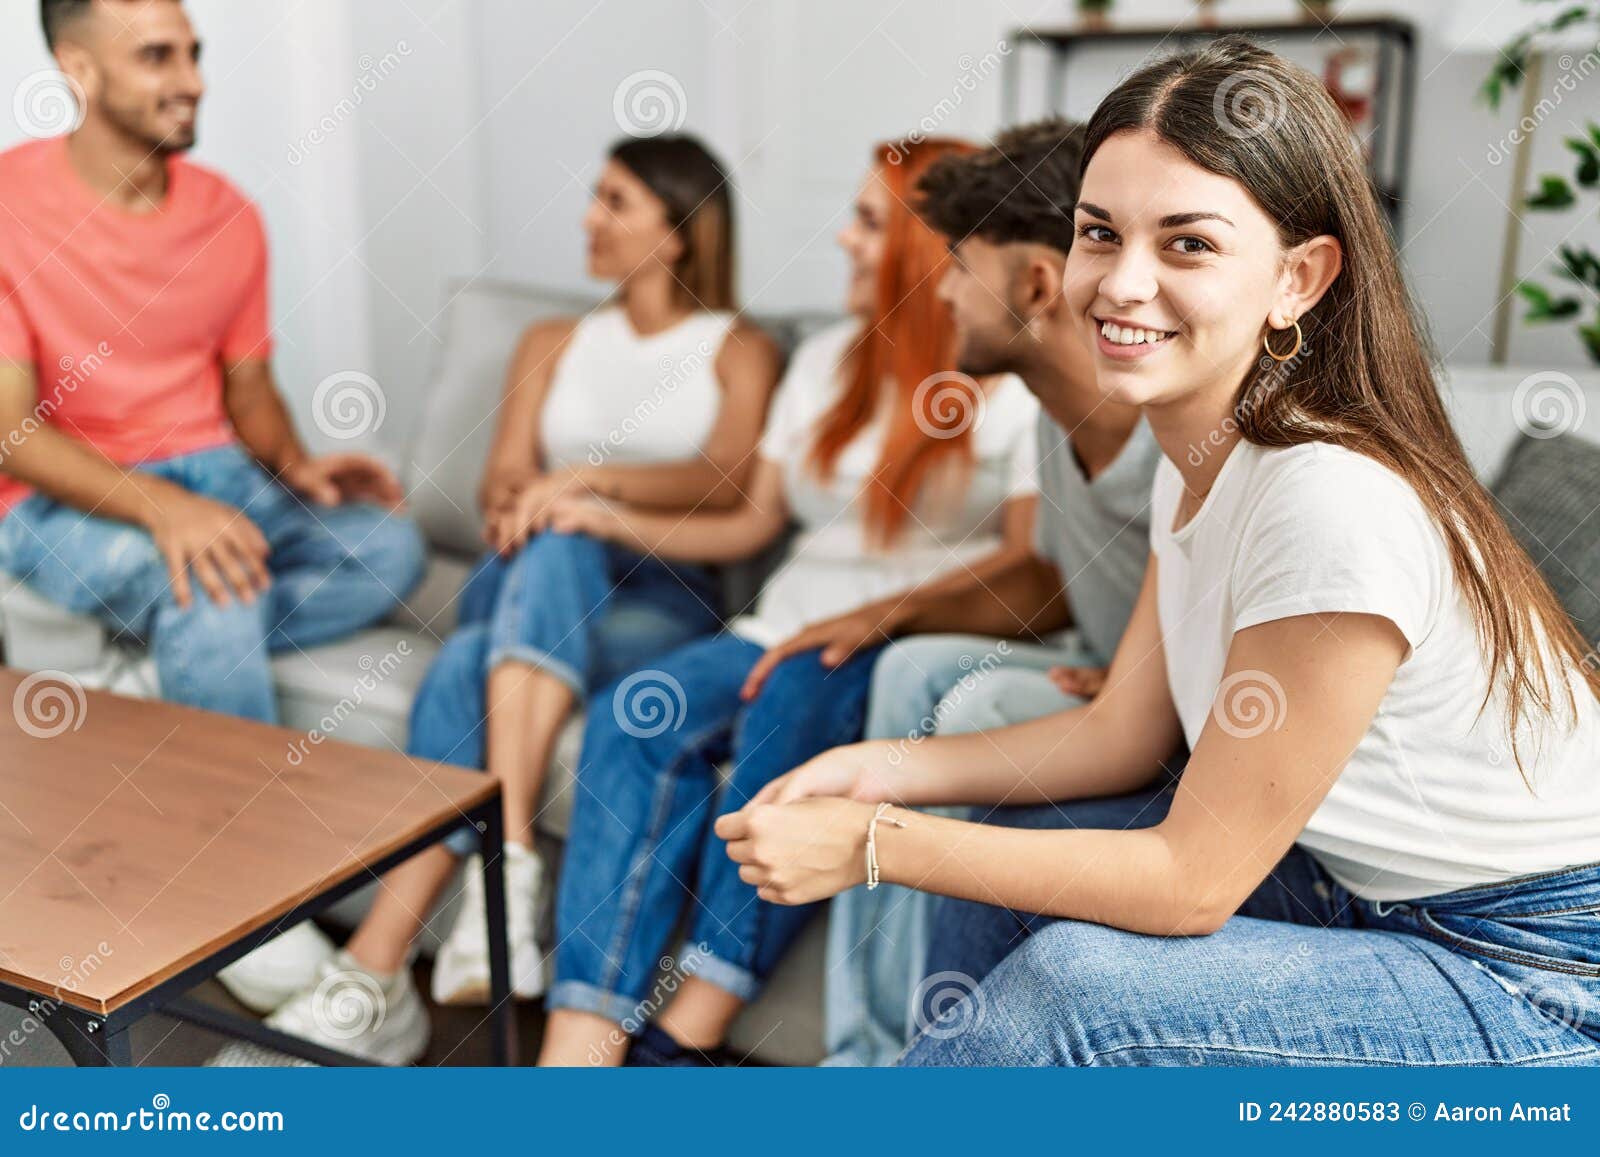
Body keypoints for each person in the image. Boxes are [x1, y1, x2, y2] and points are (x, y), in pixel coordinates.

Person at [722, 38, 1600, 1068]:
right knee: (1020, 851)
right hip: (1367, 894)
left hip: (1537, 971)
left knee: (1071, 994)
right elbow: (1119, 732)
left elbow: (1193, 882)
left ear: (1299, 277)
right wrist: (879, 771)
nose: (1121, 283)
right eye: (1102, 234)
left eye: (1186, 244)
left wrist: (875, 844)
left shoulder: (1325, 496)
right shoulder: (1200, 458)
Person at [210, 134, 781, 1065]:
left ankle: (374, 975)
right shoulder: (552, 339)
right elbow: (505, 480)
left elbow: (727, 476)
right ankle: (505, 860)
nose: (589, 218)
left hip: (660, 589)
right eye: (593, 196)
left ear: (679, 231)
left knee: (474, 660)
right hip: (530, 570)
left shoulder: (738, 346)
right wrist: (552, 502)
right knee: (548, 548)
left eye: (615, 201)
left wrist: (589, 488)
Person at [533, 137, 1043, 1067]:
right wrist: (600, 516)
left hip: (906, 643)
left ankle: (687, 1033)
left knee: (800, 688)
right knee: (633, 717)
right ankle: (579, 1048)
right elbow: (748, 524)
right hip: (778, 627)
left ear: (931, 249)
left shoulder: (1014, 376)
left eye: (869, 223)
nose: (844, 241)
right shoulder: (823, 363)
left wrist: (882, 616)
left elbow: (1030, 565)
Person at [815, 121, 1161, 1066]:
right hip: (1105, 670)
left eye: (959, 267)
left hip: (1166, 712)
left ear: (1037, 286)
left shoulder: (1171, 424)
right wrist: (897, 612)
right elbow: (1059, 579)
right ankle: (866, 1052)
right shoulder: (1053, 421)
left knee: (971, 701)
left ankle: (927, 1052)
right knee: (907, 671)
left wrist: (1150, 673)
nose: (941, 292)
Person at [0, 0, 424, 725]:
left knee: (389, 546)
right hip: (62, 499)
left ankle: (186, 645)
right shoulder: (10, 205)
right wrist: (169, 510)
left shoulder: (229, 215)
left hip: (218, 469)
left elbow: (249, 387)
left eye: (194, 54)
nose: (193, 80)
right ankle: (245, 827)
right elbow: (13, 431)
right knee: (216, 577)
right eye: (157, 56)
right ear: (78, 68)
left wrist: (298, 464)